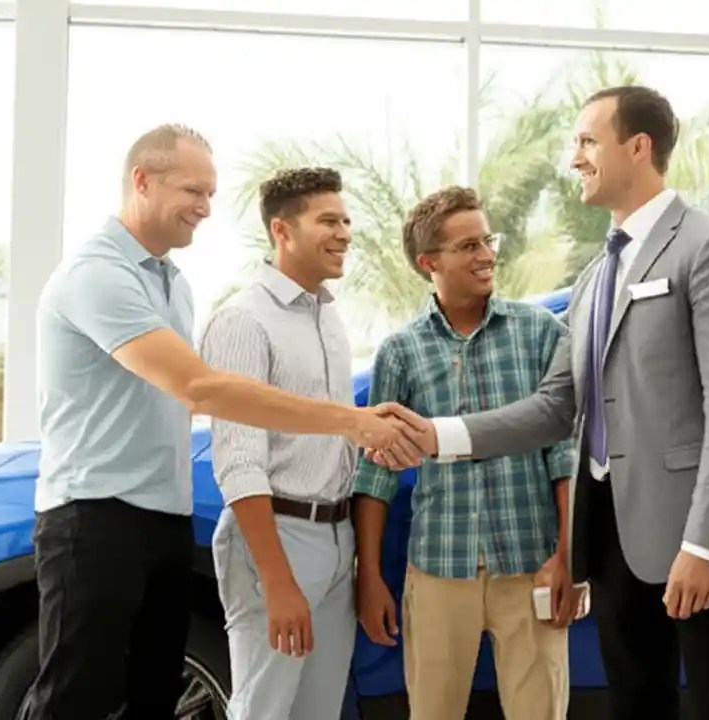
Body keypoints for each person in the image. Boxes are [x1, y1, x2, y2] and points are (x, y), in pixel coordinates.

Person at [375, 86, 709, 720]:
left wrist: (706, 545)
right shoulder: (598, 274)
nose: (575, 158)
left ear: (638, 146)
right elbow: (555, 407)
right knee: (635, 705)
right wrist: (435, 436)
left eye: (589, 141)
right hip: (614, 540)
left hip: (693, 540)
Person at [30, 124, 427, 719]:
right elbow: (200, 388)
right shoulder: (97, 275)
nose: (206, 209)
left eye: (211, 195)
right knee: (74, 701)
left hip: (163, 519)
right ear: (142, 180)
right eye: (194, 191)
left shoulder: (173, 284)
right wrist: (351, 422)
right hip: (93, 520)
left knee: (153, 700)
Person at [352, 185, 580, 720]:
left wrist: (567, 557)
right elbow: (376, 474)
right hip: (437, 568)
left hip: (530, 563)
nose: (487, 255)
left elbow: (563, 453)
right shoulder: (401, 352)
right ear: (430, 262)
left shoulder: (540, 333)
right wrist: (369, 577)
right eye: (469, 246)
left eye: (488, 240)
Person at [198, 166, 360, 719]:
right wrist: (278, 581)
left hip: (338, 539)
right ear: (282, 231)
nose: (343, 233)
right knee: (263, 709)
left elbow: (332, 432)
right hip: (280, 541)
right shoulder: (243, 322)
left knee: (318, 712)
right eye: (327, 221)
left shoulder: (329, 319)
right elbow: (239, 461)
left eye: (345, 220)